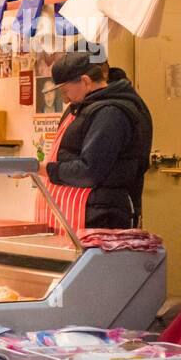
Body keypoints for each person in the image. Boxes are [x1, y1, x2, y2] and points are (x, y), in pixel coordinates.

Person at [41, 52, 153, 229]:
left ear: (85, 81)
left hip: (103, 216)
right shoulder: (83, 108)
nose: (65, 98)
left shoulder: (110, 113)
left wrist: (44, 169)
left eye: (65, 90)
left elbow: (90, 171)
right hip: (84, 212)